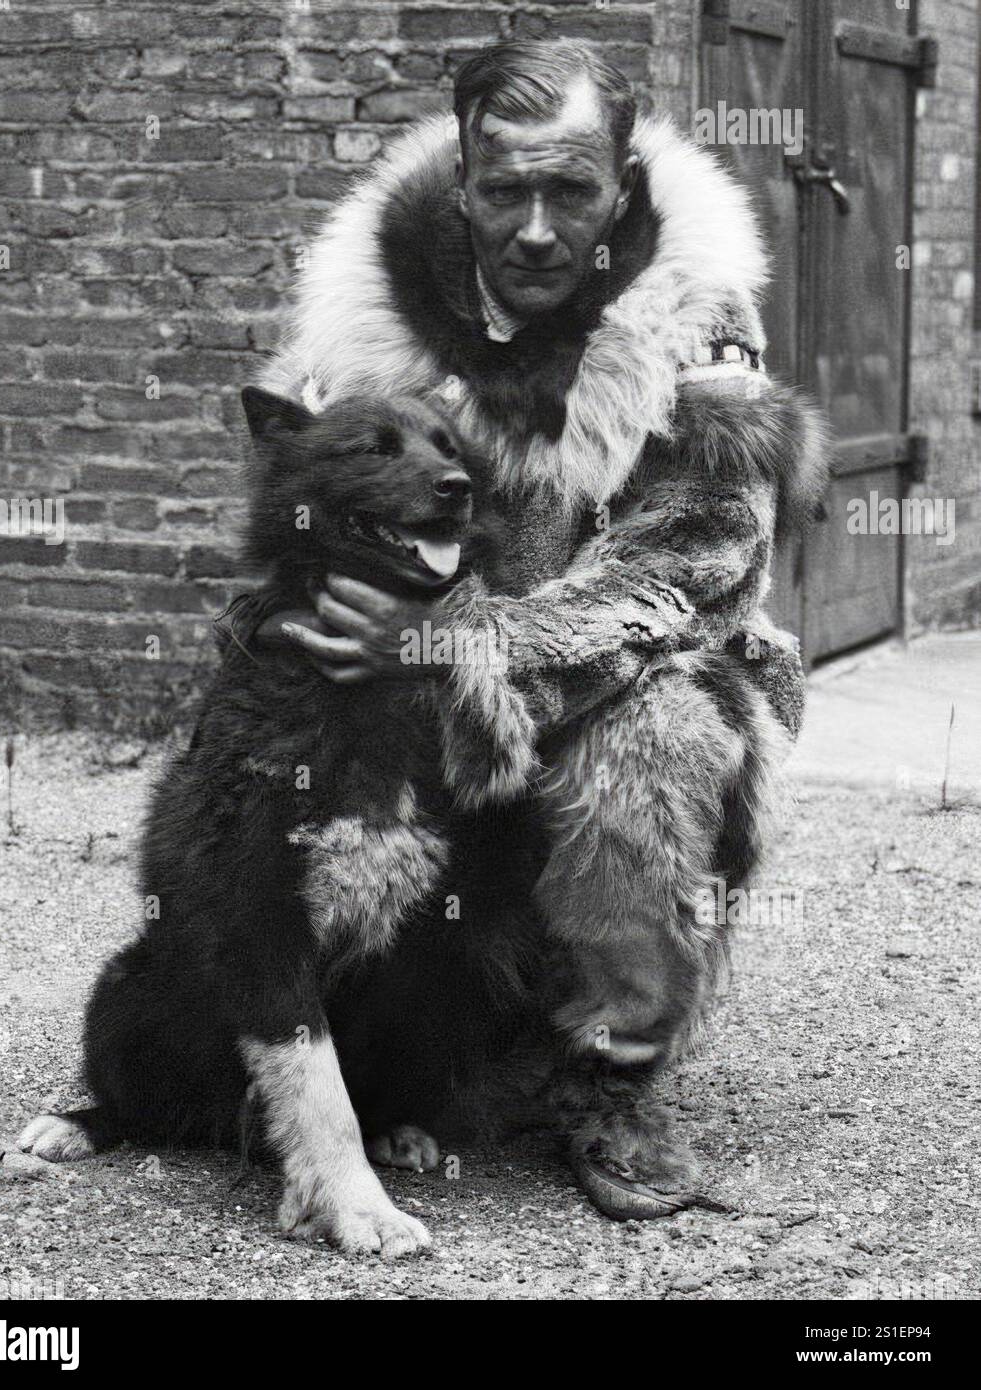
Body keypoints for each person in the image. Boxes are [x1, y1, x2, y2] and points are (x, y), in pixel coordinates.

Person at [237, 39, 826, 1218]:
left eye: (575, 191)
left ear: (625, 182)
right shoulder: (368, 313)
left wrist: (458, 652)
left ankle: (613, 1074)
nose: (541, 231)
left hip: (634, 668)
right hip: (428, 660)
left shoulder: (698, 316)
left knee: (661, 742)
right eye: (507, 192)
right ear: (463, 181)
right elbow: (297, 518)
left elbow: (694, 570)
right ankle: (313, 1031)